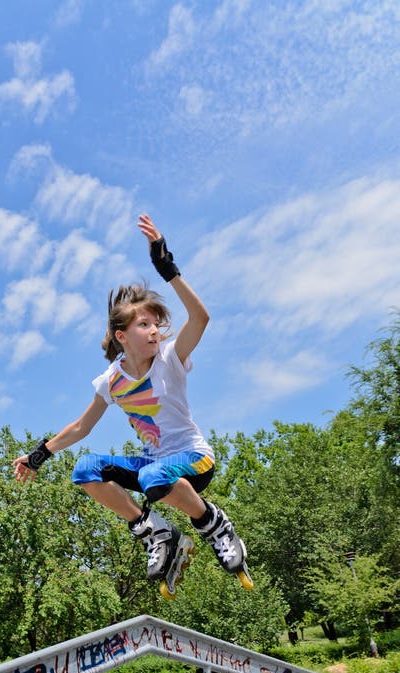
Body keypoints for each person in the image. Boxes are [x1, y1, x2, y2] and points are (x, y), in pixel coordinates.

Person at [13, 213, 249, 595]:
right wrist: (38, 455)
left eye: (156, 324)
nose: (154, 330)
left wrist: (167, 269)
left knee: (154, 476)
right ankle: (155, 531)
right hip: (153, 466)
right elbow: (81, 427)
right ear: (122, 336)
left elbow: (201, 318)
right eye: (144, 325)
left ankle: (214, 524)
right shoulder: (112, 380)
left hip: (194, 460)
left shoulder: (170, 359)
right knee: (85, 470)